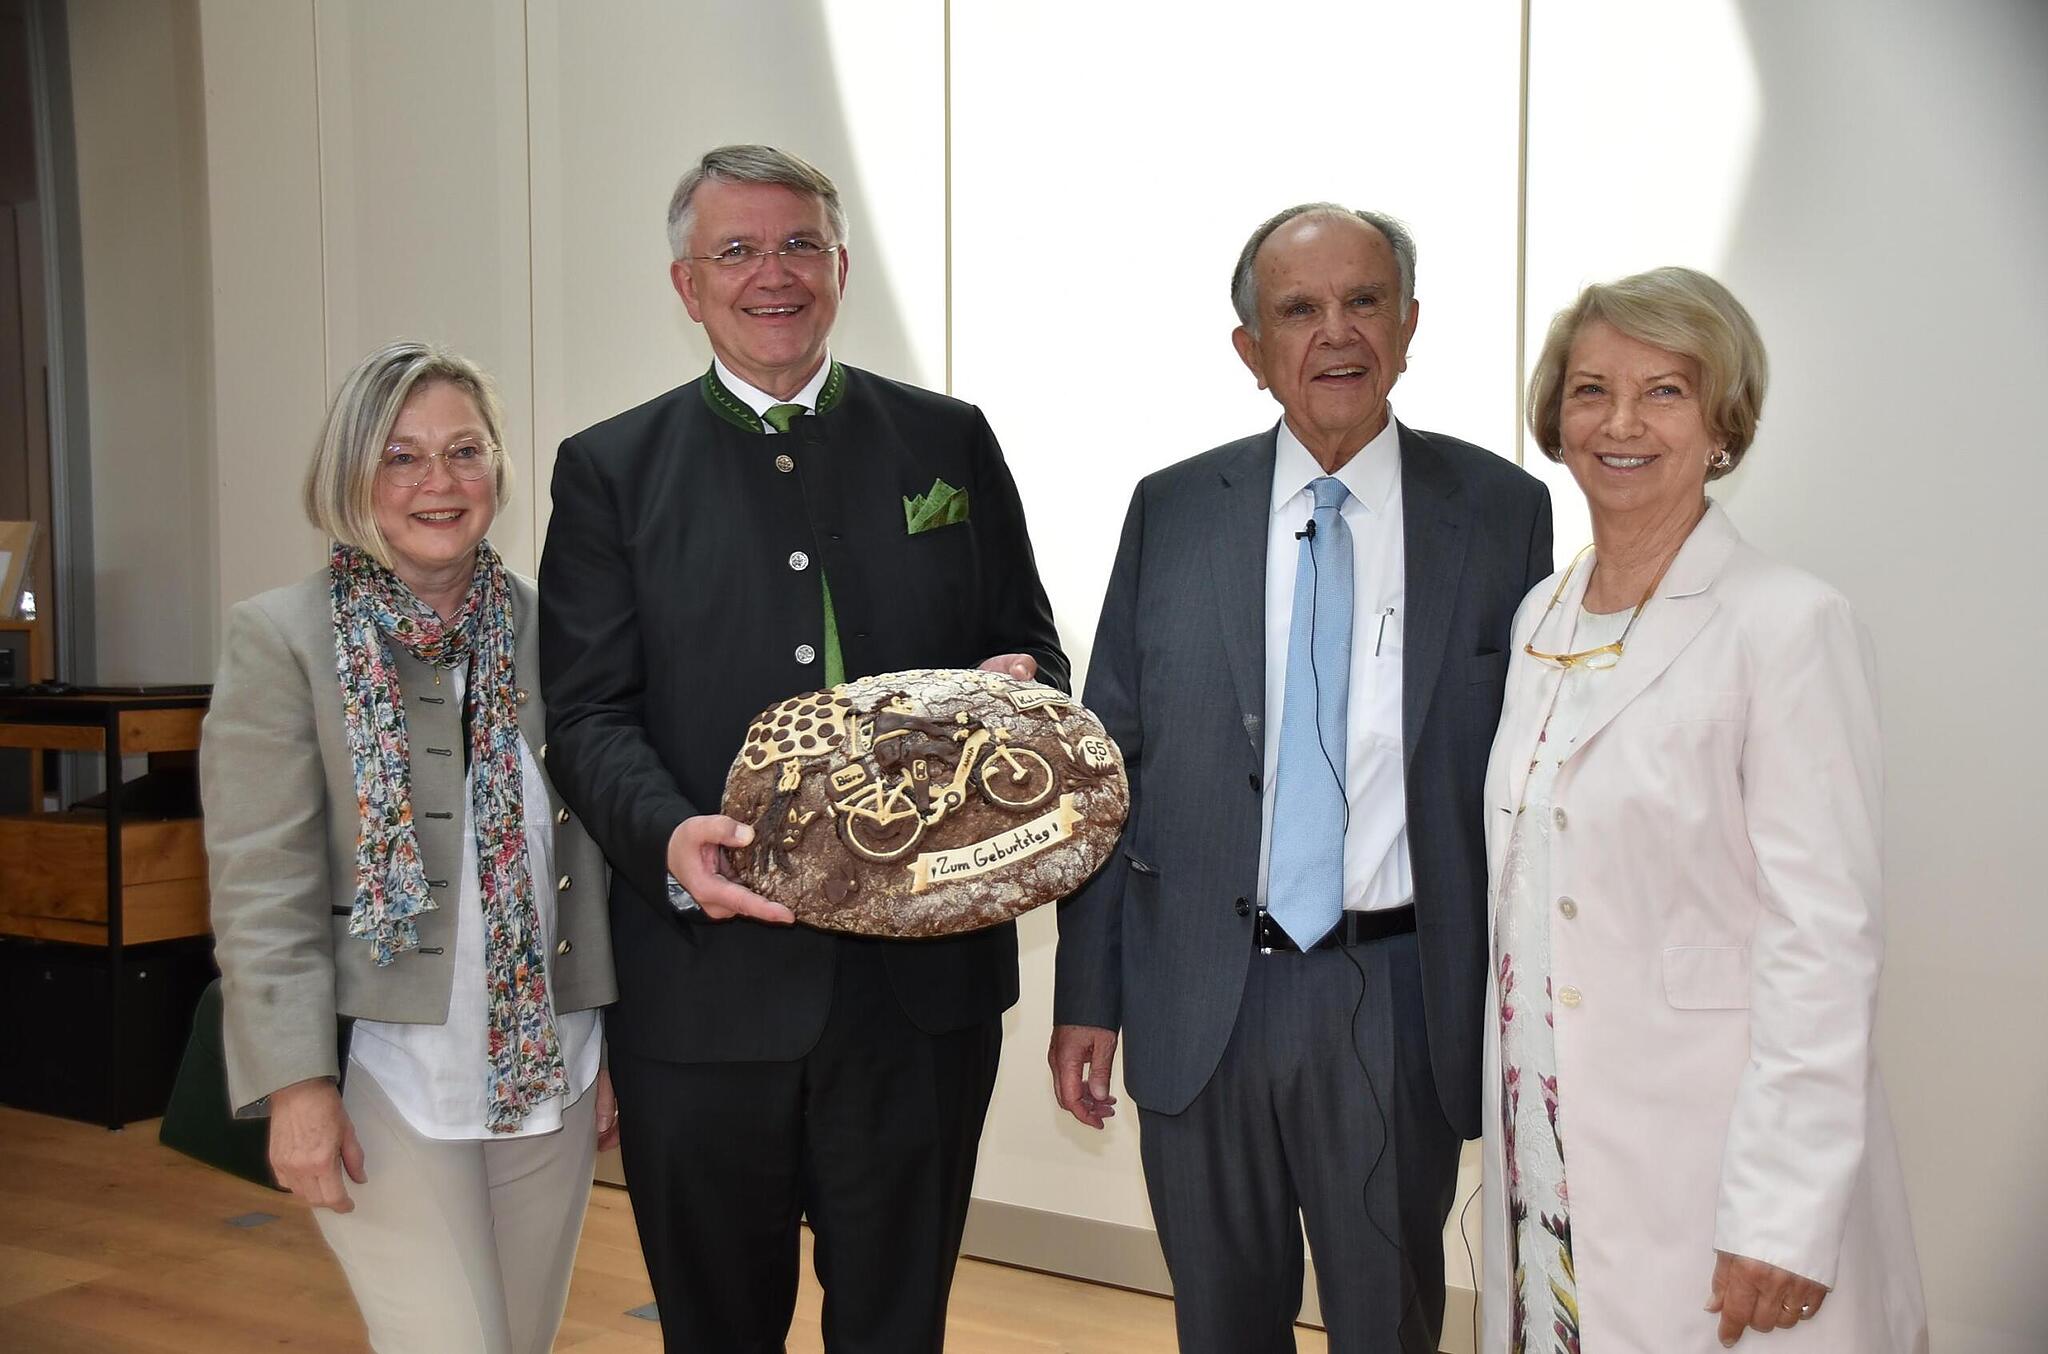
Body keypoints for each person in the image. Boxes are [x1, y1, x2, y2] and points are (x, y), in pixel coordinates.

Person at [537, 143, 1065, 1353]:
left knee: (896, 1326)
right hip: (701, 994)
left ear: (836, 264)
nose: (769, 274)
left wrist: (1011, 700)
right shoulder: (610, 471)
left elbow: (1028, 647)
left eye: (796, 246)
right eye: (735, 250)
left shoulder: (949, 440)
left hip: (921, 992)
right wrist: (668, 835)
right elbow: (586, 714)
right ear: (685, 283)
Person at [1051, 203, 1553, 1353]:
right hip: (1198, 998)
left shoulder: (1498, 513)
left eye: (1363, 300)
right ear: (1250, 349)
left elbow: (1531, 776)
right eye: (1298, 309)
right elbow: (1103, 767)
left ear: (1409, 325)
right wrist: (1089, 993)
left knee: (1386, 1321)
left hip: (1392, 996)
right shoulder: (1171, 508)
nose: (1336, 332)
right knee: (1221, 1324)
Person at [1482, 267, 1927, 1351]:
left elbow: (1822, 942)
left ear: (1722, 424)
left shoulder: (1784, 625)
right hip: (1547, 1144)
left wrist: (1783, 1215)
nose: (1619, 422)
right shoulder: (1541, 612)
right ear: (1555, 417)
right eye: (1589, 390)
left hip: (1710, 1159)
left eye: (1664, 392)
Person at [202, 341, 619, 1354]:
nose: (439, 482)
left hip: (549, 1072)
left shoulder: (557, 628)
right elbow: (262, 889)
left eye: (464, 451)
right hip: (384, 1077)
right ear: (352, 476)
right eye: (401, 456)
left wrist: (614, 1045)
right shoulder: (282, 640)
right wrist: (294, 1088)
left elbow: (599, 853)